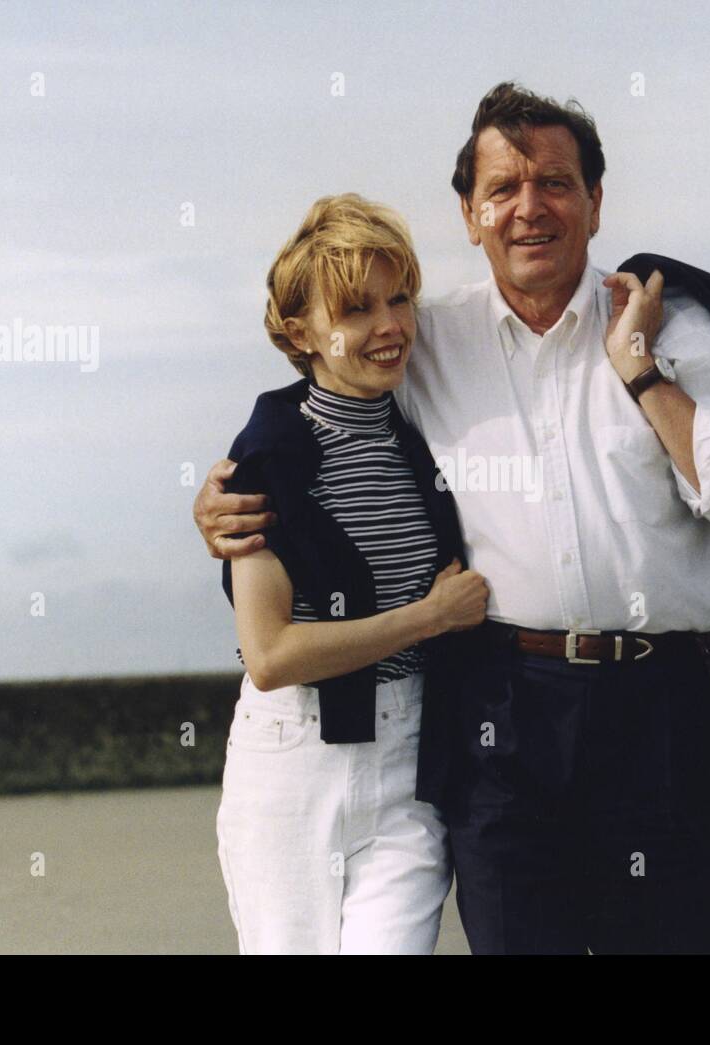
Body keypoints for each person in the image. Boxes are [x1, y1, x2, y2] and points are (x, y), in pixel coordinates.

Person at [196, 82, 710, 954]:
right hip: (499, 710)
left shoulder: (679, 330)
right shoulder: (426, 337)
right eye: (503, 189)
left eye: (555, 182)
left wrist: (639, 371)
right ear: (470, 214)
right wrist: (225, 497)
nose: (530, 208)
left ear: (595, 201)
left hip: (654, 704)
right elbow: (321, 404)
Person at [213, 192, 489, 954]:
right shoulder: (267, 460)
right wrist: (429, 617)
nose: (391, 326)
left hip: (410, 765)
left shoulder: (424, 433)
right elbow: (271, 656)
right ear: (300, 332)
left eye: (400, 298)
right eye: (359, 309)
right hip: (292, 767)